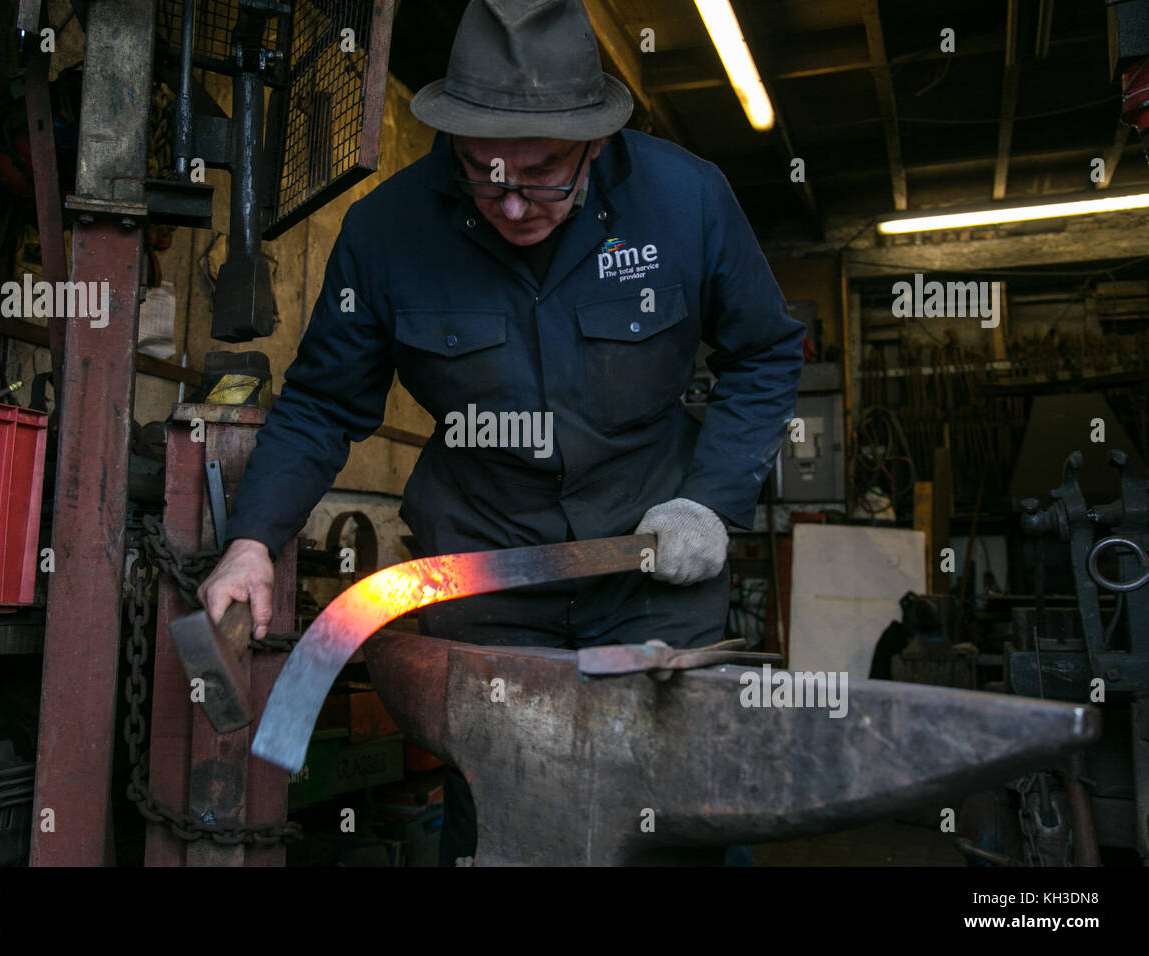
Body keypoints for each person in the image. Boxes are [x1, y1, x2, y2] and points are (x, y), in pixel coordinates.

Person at [199, 0, 805, 865]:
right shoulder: (385, 233)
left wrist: (710, 505)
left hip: (652, 576)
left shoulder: (687, 200)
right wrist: (254, 539)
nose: (512, 201)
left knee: (681, 823)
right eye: (484, 173)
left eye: (543, 172)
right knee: (511, 824)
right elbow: (323, 404)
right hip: (489, 591)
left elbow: (768, 353)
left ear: (594, 143)